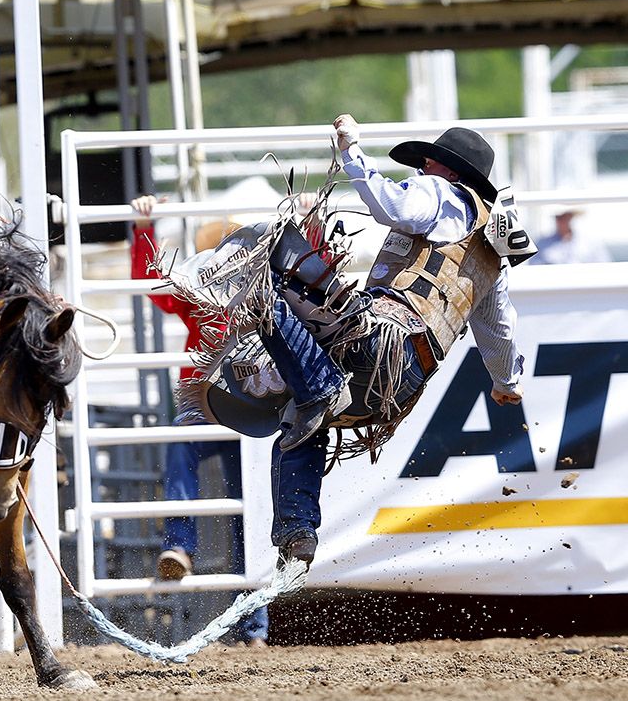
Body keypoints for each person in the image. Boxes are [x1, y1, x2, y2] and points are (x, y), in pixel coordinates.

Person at [160, 116, 532, 569]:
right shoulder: (491, 249)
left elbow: (396, 208)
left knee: (267, 285)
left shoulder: (436, 193)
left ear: (450, 171)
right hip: (401, 382)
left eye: (430, 162)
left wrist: (352, 152)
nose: (422, 169)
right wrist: (506, 382)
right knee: (305, 416)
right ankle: (298, 533)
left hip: (377, 342)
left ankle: (293, 383)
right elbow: (498, 327)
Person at [130, 195, 269, 646]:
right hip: (229, 404)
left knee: (246, 510)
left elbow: (153, 285)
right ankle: (182, 547)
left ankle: (250, 621)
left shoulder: (257, 293)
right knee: (237, 499)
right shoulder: (201, 295)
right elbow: (153, 284)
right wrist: (144, 228)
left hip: (238, 404)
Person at [533, 209, 611, 265]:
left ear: (571, 218)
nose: (561, 221)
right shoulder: (542, 243)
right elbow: (535, 266)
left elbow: (603, 265)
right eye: (558, 217)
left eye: (565, 217)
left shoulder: (592, 243)